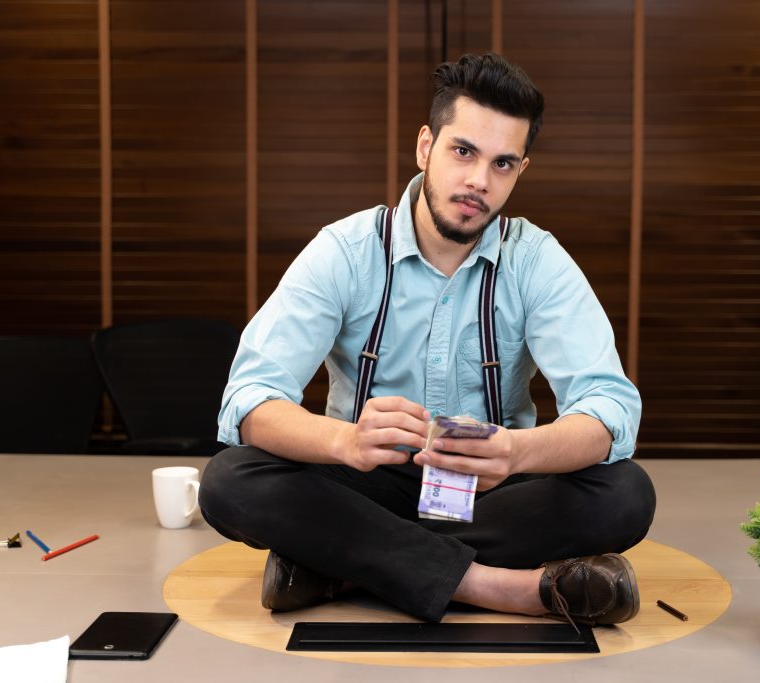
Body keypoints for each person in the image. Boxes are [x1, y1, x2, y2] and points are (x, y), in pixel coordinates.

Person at [199, 53, 656, 627]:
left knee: (624, 493)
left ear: (521, 171)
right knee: (230, 481)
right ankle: (501, 587)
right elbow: (246, 400)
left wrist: (516, 453)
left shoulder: (537, 259)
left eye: (503, 164)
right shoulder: (345, 250)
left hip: (493, 493)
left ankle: (342, 565)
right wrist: (343, 441)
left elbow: (610, 410)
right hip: (366, 485)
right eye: (463, 151)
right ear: (425, 147)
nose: (478, 181)